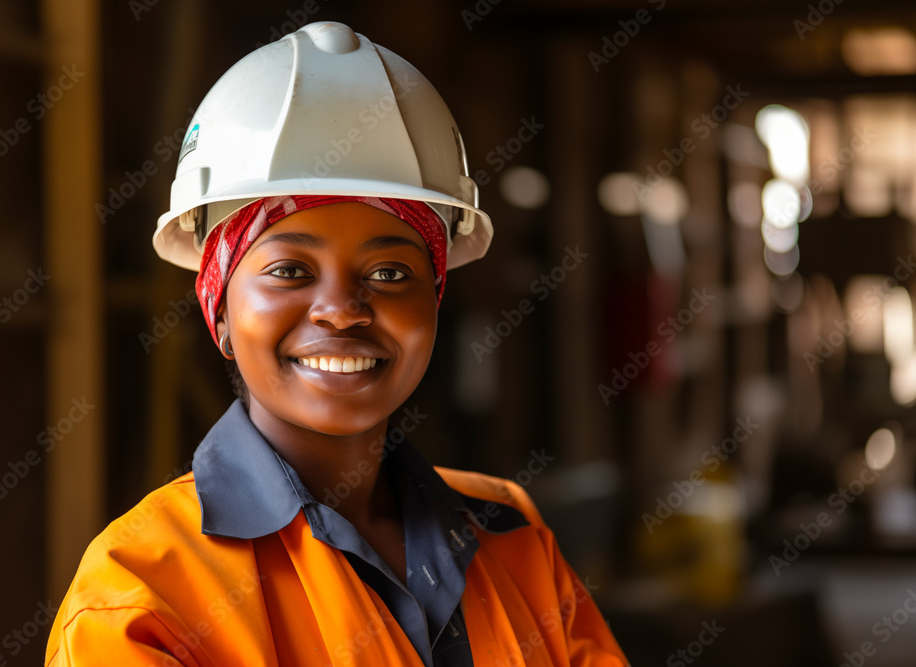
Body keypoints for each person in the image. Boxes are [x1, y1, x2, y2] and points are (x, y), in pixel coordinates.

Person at [45, 21, 627, 666]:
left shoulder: (510, 534)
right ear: (219, 309)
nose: (342, 312)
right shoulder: (142, 596)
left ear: (433, 301)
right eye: (289, 270)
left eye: (389, 274)